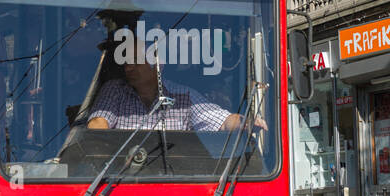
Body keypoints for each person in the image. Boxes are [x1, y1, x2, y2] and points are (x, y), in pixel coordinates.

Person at [86, 53, 263, 133]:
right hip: (120, 180)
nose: (128, 68)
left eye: (135, 62)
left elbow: (221, 121)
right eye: (126, 63)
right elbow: (97, 125)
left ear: (157, 66)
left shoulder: (183, 95)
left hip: (170, 179)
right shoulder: (115, 89)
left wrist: (245, 123)